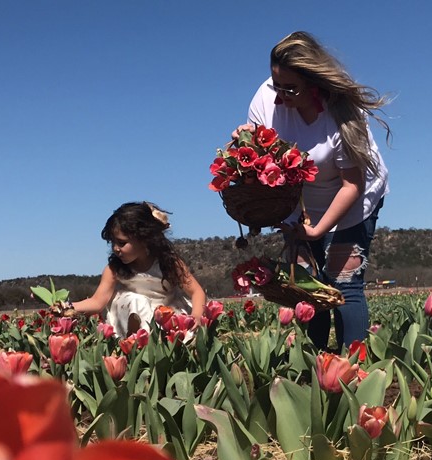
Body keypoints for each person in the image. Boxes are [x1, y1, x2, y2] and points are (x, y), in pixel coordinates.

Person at [236, 31, 390, 349]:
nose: (278, 97)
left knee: (344, 281)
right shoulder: (267, 97)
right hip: (300, 202)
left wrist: (319, 230)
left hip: (352, 200)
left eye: (289, 89)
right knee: (305, 285)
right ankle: (316, 364)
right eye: (275, 84)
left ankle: (353, 370)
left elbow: (353, 184)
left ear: (314, 82)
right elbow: (258, 161)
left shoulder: (343, 115)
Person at [65, 201, 205, 336]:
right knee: (136, 301)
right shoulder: (114, 269)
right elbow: (97, 302)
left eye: (121, 243)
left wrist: (197, 316)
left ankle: (163, 343)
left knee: (183, 331)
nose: (115, 248)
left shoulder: (168, 263)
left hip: (166, 311)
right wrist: (67, 307)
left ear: (144, 239)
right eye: (112, 242)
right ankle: (138, 341)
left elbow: (196, 292)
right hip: (130, 312)